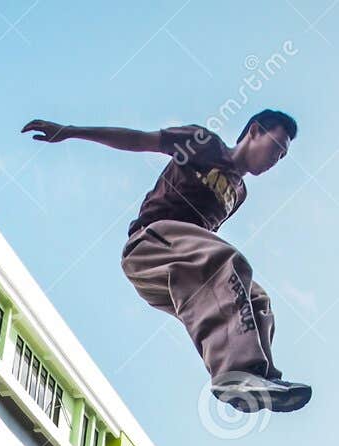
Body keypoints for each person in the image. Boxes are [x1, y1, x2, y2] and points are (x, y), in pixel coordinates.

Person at [22, 110, 310, 414]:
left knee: (255, 297)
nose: (275, 160)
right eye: (276, 148)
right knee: (226, 260)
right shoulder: (204, 144)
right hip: (148, 245)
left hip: (177, 271)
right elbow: (137, 140)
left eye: (282, 158)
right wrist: (71, 130)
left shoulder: (239, 193)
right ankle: (236, 373)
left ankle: (261, 380)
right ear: (254, 131)